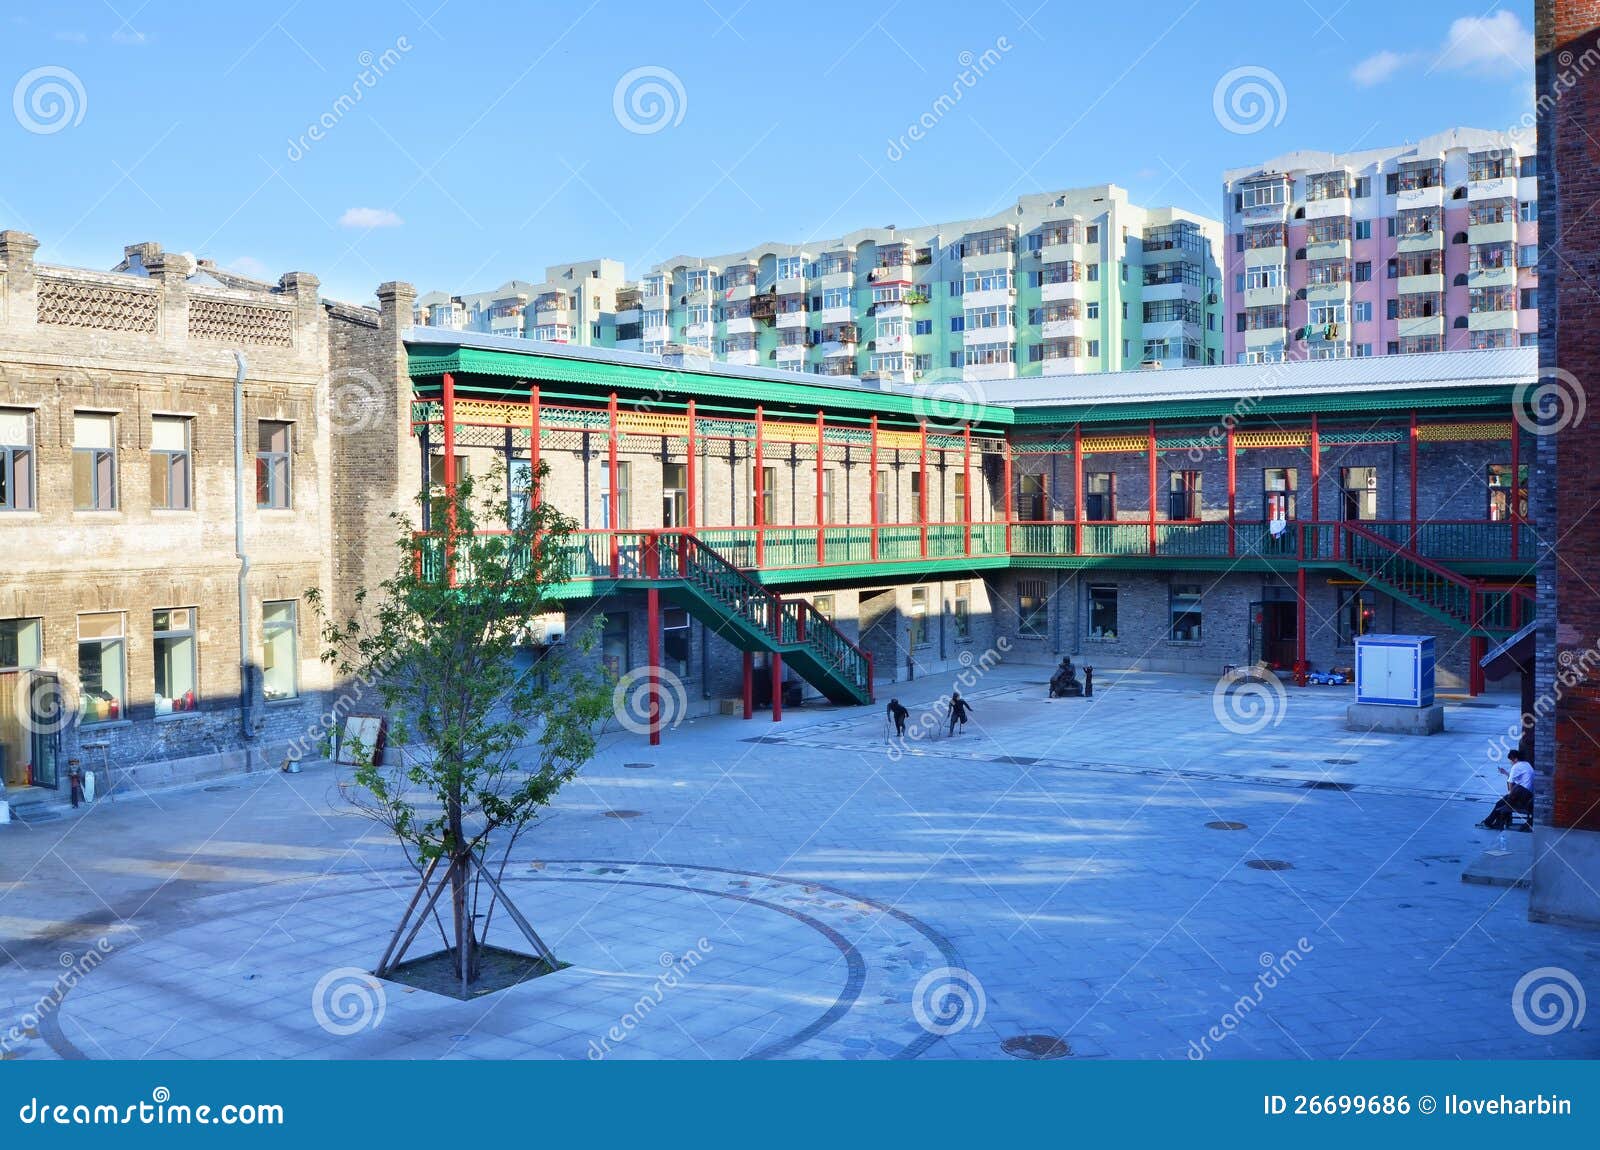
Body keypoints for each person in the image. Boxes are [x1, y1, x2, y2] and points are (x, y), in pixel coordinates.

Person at [1479, 749, 1535, 831]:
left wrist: (1510, 794)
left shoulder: (1516, 766)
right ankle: (1491, 822)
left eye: (1511, 760)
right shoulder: (1526, 764)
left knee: (1500, 803)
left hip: (1521, 795)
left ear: (1515, 759)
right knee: (1500, 803)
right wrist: (1506, 773)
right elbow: (1518, 779)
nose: (1510, 762)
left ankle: (1490, 822)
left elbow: (1510, 782)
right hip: (1528, 794)